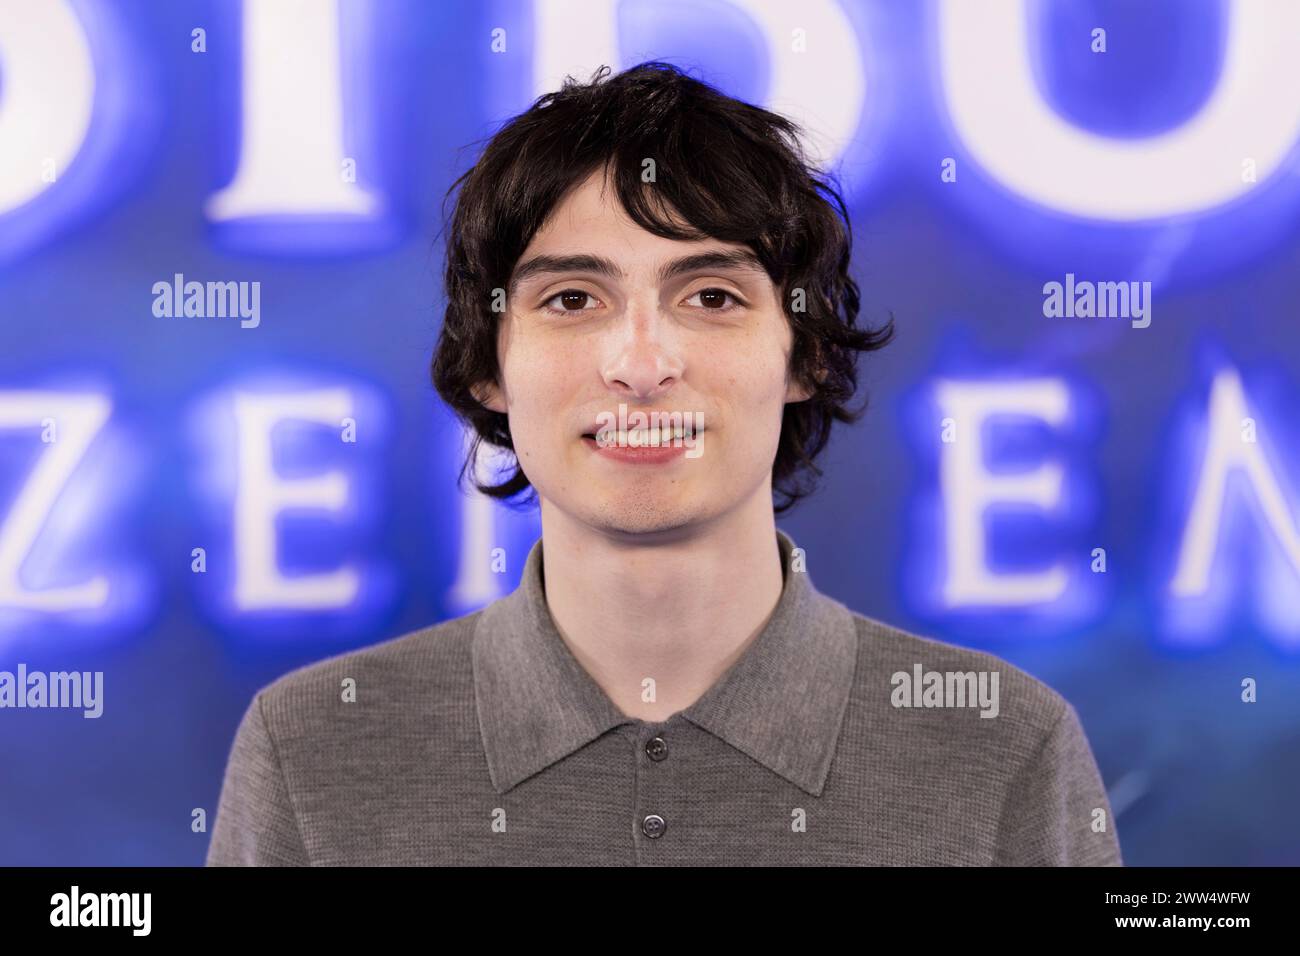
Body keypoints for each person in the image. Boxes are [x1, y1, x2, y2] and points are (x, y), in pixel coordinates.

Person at [206, 61, 1122, 866]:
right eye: (572, 298)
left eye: (712, 295)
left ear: (806, 355)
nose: (641, 364)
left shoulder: (1004, 748)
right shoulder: (310, 751)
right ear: (487, 363)